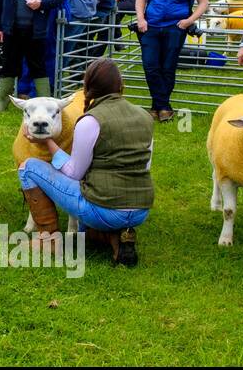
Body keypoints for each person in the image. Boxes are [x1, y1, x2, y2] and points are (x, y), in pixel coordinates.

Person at [18, 58, 153, 266]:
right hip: (141, 209)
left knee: (28, 168)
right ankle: (111, 236)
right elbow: (145, 166)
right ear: (120, 85)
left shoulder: (90, 121)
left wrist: (47, 143)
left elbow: (74, 173)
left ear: (87, 87)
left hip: (104, 207)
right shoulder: (145, 116)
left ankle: (50, 239)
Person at [134, 0, 208, 121]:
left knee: (168, 67)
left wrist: (188, 20)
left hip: (176, 27)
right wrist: (141, 18)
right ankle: (163, 106)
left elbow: (203, 2)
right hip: (151, 25)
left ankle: (157, 108)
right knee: (150, 66)